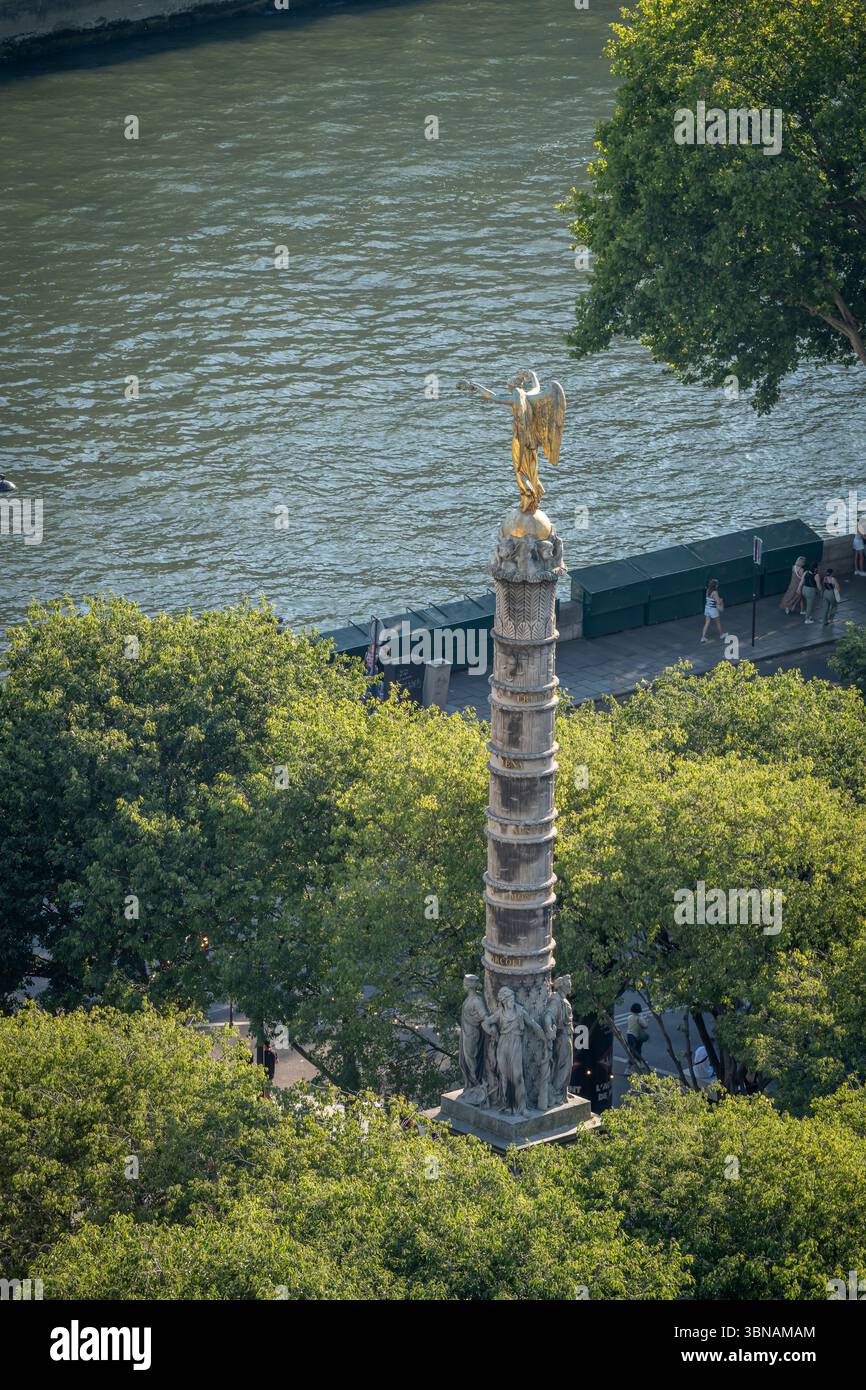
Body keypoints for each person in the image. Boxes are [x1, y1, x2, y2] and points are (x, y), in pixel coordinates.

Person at [700, 578, 725, 643]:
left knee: (707, 622)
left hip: (707, 608)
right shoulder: (715, 592)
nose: (718, 585)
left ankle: (703, 637)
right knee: (718, 622)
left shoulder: (708, 590)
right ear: (715, 585)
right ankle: (721, 635)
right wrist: (721, 600)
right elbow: (718, 602)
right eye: (717, 584)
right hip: (713, 610)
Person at [626, 1002, 649, 1066]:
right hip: (637, 1036)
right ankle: (634, 1065)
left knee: (632, 1051)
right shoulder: (639, 1018)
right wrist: (647, 1019)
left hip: (629, 1035)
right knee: (637, 1050)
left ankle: (638, 1063)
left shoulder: (629, 1017)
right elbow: (645, 1026)